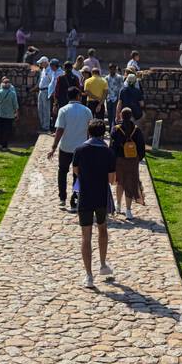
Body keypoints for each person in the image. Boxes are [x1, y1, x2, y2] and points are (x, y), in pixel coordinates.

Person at [72, 119, 116, 287]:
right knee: (102, 228)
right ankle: (103, 264)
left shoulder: (80, 150)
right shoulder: (108, 152)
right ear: (103, 133)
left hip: (85, 195)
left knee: (86, 236)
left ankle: (88, 275)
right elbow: (111, 180)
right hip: (101, 196)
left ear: (89, 132)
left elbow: (76, 170)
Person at [49, 87, 93, 210]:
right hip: (82, 147)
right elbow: (91, 130)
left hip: (66, 147)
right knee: (78, 174)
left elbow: (60, 130)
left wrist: (54, 146)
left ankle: (62, 198)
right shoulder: (87, 111)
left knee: (62, 171)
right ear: (78, 96)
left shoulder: (63, 110)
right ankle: (75, 198)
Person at [112, 107, 148, 220]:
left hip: (119, 160)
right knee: (130, 184)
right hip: (132, 161)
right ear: (131, 116)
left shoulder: (116, 129)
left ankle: (118, 206)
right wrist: (138, 158)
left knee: (120, 183)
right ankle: (128, 210)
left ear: (121, 116)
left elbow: (112, 147)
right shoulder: (136, 130)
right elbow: (141, 147)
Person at [0, 75, 19, 148]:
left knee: (1, 129)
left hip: (0, 113)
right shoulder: (12, 93)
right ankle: (5, 144)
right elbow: (15, 104)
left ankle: (0, 142)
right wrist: (16, 112)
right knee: (7, 130)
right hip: (9, 114)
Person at [36, 56, 56, 132]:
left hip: (46, 91)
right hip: (41, 91)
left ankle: (46, 127)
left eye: (41, 63)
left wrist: (51, 92)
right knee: (40, 109)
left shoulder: (50, 71)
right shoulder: (44, 70)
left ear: (45, 62)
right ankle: (43, 125)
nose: (40, 64)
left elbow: (52, 82)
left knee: (46, 109)